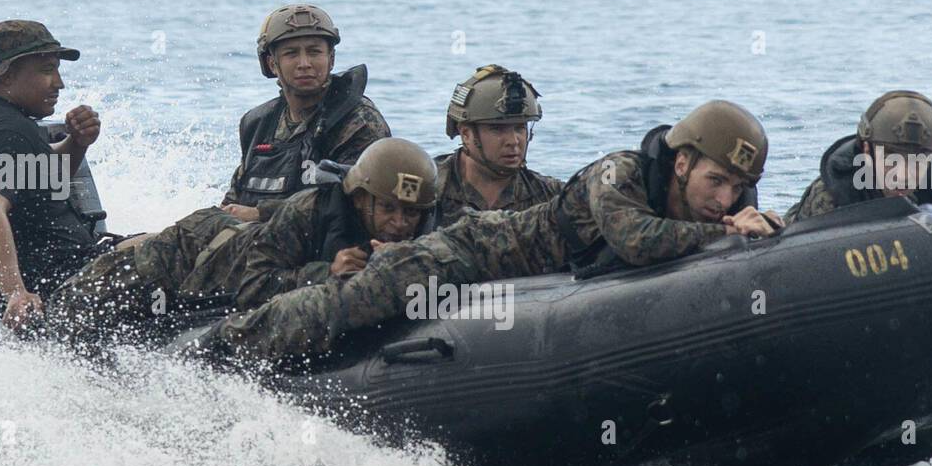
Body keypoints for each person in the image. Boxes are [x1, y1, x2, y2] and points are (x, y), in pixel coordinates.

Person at [185, 100, 780, 364]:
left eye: (736, 190)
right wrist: (723, 235)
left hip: (545, 285)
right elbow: (635, 242)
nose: (726, 200)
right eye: (717, 182)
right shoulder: (618, 173)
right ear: (681, 163)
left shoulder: (719, 209)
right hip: (477, 253)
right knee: (363, 297)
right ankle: (230, 344)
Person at [47, 138, 437, 342]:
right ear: (361, 198)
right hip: (203, 248)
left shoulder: (419, 227)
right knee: (90, 295)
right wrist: (325, 272)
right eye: (388, 209)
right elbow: (256, 283)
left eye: (411, 213)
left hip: (232, 254)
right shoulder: (310, 211)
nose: (400, 223)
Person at [0, 20, 109, 329]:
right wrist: (15, 292)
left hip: (60, 270)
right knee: (203, 236)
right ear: (8, 73)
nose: (59, 83)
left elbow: (37, 180)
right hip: (64, 278)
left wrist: (77, 143)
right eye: (47, 70)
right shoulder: (3, 130)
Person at [783, 90, 932, 249]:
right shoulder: (836, 190)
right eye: (892, 158)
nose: (903, 174)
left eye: (918, 161)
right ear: (867, 150)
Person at [219, 4, 390, 223]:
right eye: (291, 54)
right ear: (272, 64)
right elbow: (234, 199)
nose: (304, 64)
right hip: (253, 242)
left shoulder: (358, 121)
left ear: (331, 59)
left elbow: (354, 203)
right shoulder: (258, 123)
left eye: (314, 52)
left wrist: (260, 214)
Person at [434, 65, 562, 227]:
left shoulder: (549, 196)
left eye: (520, 128)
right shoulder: (429, 188)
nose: (513, 141)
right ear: (466, 134)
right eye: (497, 129)